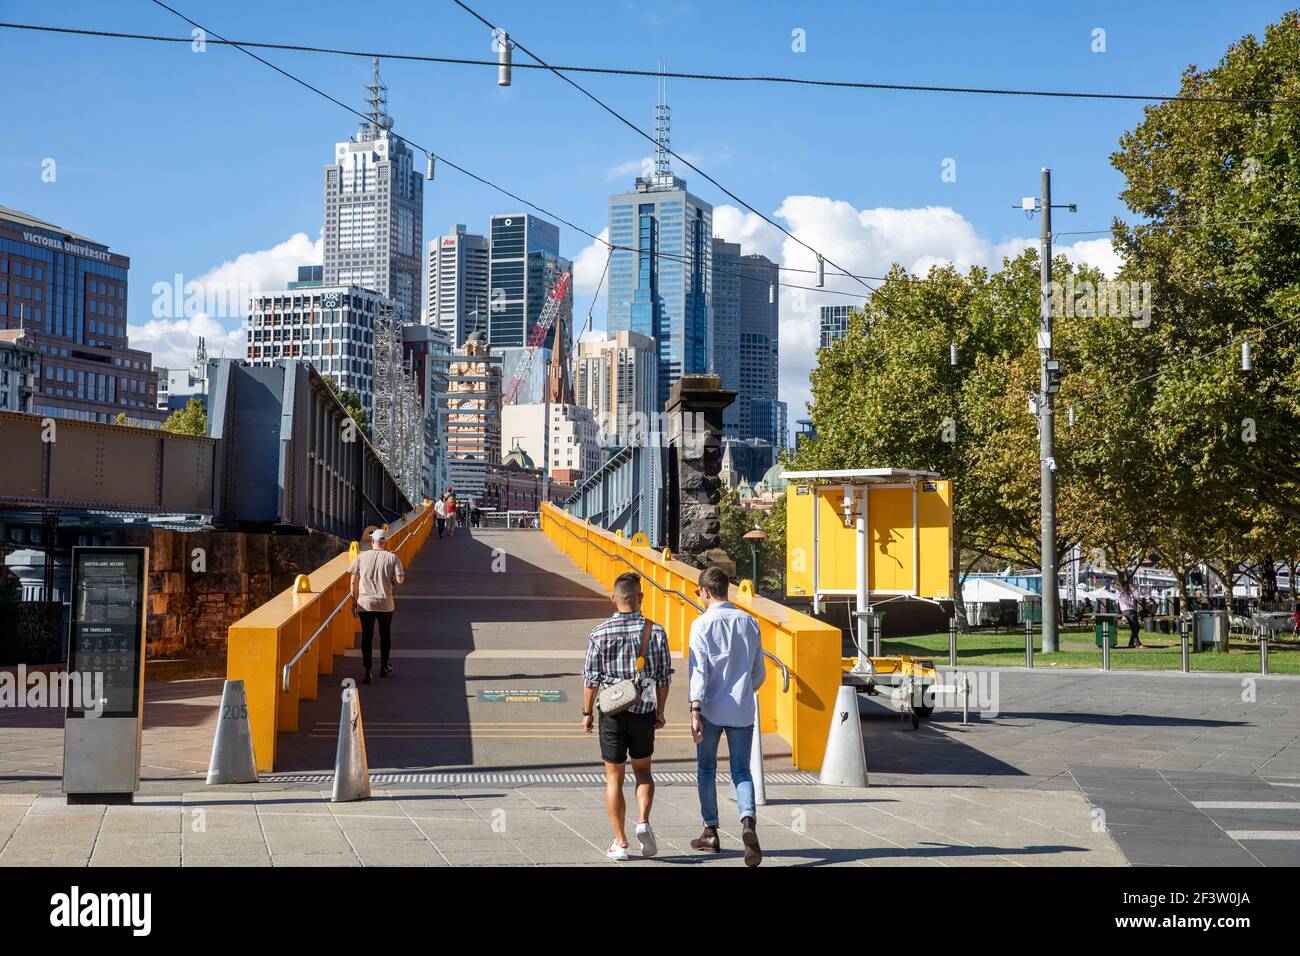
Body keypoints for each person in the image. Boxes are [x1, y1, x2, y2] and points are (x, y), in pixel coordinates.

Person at [581, 571, 672, 862]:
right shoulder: (655, 632)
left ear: (613, 599)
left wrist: (587, 713)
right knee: (643, 771)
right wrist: (660, 711)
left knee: (614, 778)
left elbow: (590, 678)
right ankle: (643, 821)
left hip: (611, 713)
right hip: (643, 710)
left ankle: (620, 843)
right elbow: (662, 677)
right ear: (640, 597)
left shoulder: (599, 633)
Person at [688, 565, 767, 866]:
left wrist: (695, 709)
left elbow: (699, 672)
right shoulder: (750, 622)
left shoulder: (701, 624)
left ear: (706, 592)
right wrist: (744, 689)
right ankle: (747, 821)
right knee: (741, 771)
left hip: (709, 708)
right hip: (742, 710)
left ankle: (710, 830)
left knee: (706, 769)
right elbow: (758, 672)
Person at [349, 527, 406, 684]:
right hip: (385, 603)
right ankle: (384, 666)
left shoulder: (361, 557)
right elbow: (400, 580)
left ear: (372, 541)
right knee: (385, 635)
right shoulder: (392, 558)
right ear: (385, 542)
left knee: (367, 637)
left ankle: (368, 671)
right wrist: (393, 580)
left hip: (365, 603)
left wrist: (354, 601)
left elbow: (353, 581)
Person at [1118, 581, 1142, 648]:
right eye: (1130, 586)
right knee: (1134, 627)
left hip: (1132, 611)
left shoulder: (1129, 594)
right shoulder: (1122, 594)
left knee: (1137, 627)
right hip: (1127, 611)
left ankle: (1131, 643)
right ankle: (1137, 643)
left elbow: (1133, 605)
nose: (1131, 588)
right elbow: (1129, 603)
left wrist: (1136, 611)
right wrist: (1132, 597)